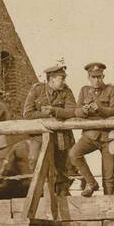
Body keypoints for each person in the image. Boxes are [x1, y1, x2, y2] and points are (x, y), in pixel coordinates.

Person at [22, 60, 79, 195]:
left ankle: (62, 192)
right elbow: (27, 114)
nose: (63, 81)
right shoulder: (37, 90)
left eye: (64, 78)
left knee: (62, 166)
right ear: (51, 79)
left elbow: (72, 111)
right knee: (35, 160)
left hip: (61, 136)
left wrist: (54, 111)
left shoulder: (66, 91)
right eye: (61, 78)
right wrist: (45, 115)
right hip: (39, 136)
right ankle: (40, 190)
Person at [68, 62, 114, 196]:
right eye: (93, 77)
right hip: (90, 135)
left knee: (109, 173)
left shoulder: (112, 90)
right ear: (88, 77)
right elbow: (76, 110)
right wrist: (84, 111)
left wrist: (101, 110)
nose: (96, 80)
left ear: (103, 76)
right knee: (74, 154)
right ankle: (91, 183)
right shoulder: (84, 90)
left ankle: (109, 201)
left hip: (110, 137)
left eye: (99, 77)